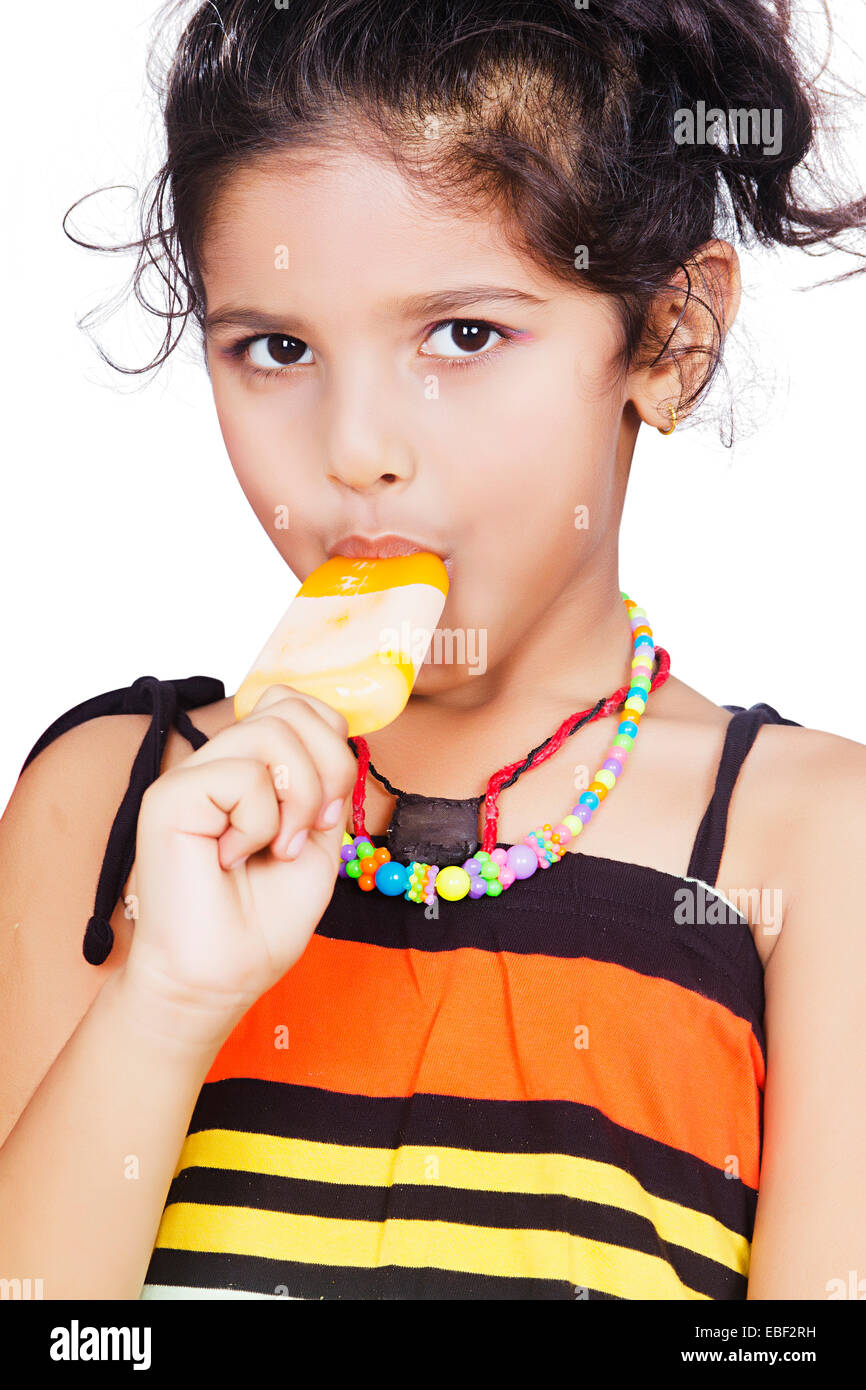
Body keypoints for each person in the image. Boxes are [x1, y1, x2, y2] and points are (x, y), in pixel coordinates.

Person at [1, 0, 865, 1302]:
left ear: (669, 335)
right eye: (275, 348)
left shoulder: (808, 844)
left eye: (462, 334)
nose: (356, 447)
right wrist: (166, 1003)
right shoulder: (109, 801)